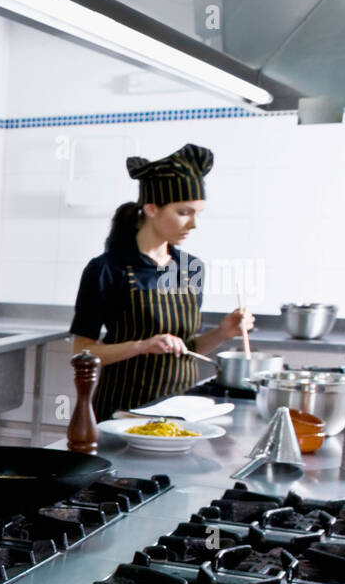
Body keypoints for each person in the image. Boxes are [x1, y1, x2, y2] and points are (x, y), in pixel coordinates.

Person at [70, 143, 253, 420]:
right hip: (124, 412)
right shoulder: (107, 268)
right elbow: (82, 352)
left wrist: (222, 333)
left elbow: (187, 347)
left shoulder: (191, 268)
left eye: (197, 214)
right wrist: (143, 345)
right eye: (183, 212)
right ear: (152, 208)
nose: (193, 225)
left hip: (181, 410)